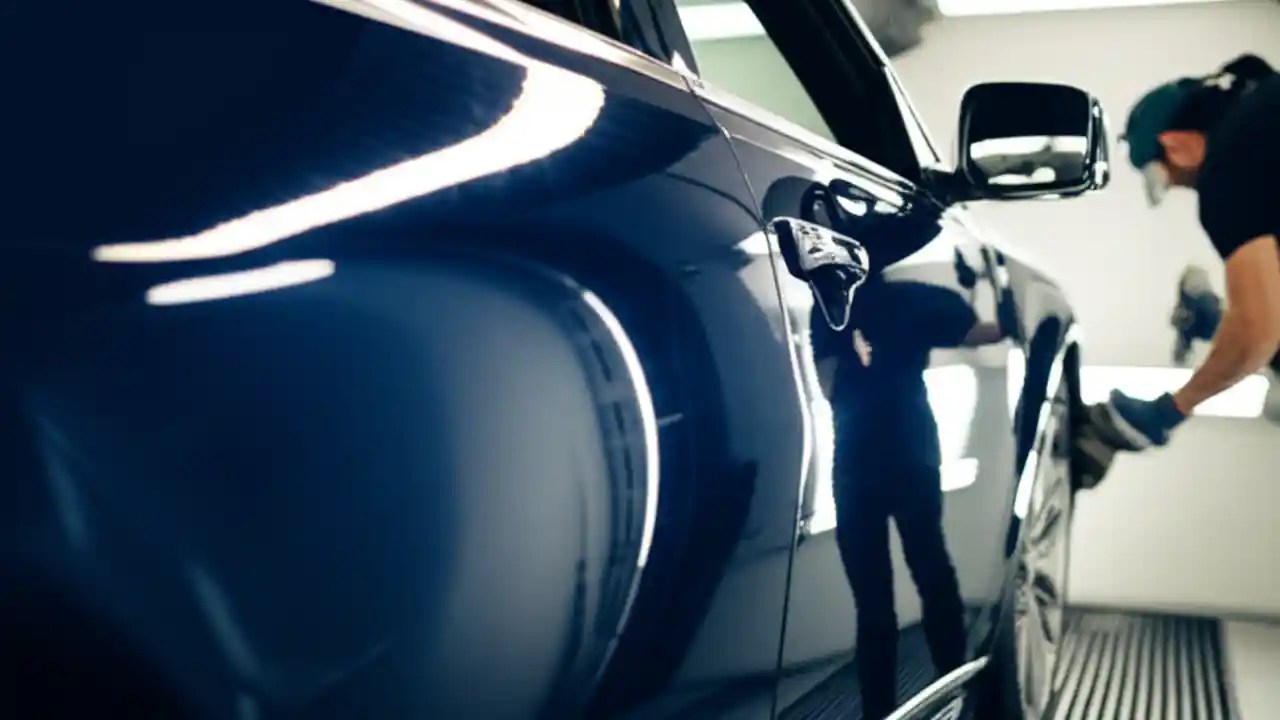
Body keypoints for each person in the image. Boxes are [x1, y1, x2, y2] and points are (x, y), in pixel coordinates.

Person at [1092, 54, 1280, 451]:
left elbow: (1258, 335)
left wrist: (1170, 411)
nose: (1193, 188)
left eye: (1182, 183)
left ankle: (1209, 325)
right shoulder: (1265, 101)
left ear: (1174, 146)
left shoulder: (1225, 167)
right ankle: (1211, 320)